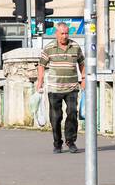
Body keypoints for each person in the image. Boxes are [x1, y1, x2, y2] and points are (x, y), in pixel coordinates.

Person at [36, 24, 84, 154]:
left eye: (67, 33)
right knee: (56, 117)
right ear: (56, 34)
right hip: (54, 89)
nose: (65, 36)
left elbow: (81, 63)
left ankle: (71, 141)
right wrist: (40, 81)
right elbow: (41, 65)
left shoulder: (75, 46)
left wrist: (83, 78)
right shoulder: (50, 47)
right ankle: (57, 143)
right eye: (62, 34)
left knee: (72, 113)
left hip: (72, 88)